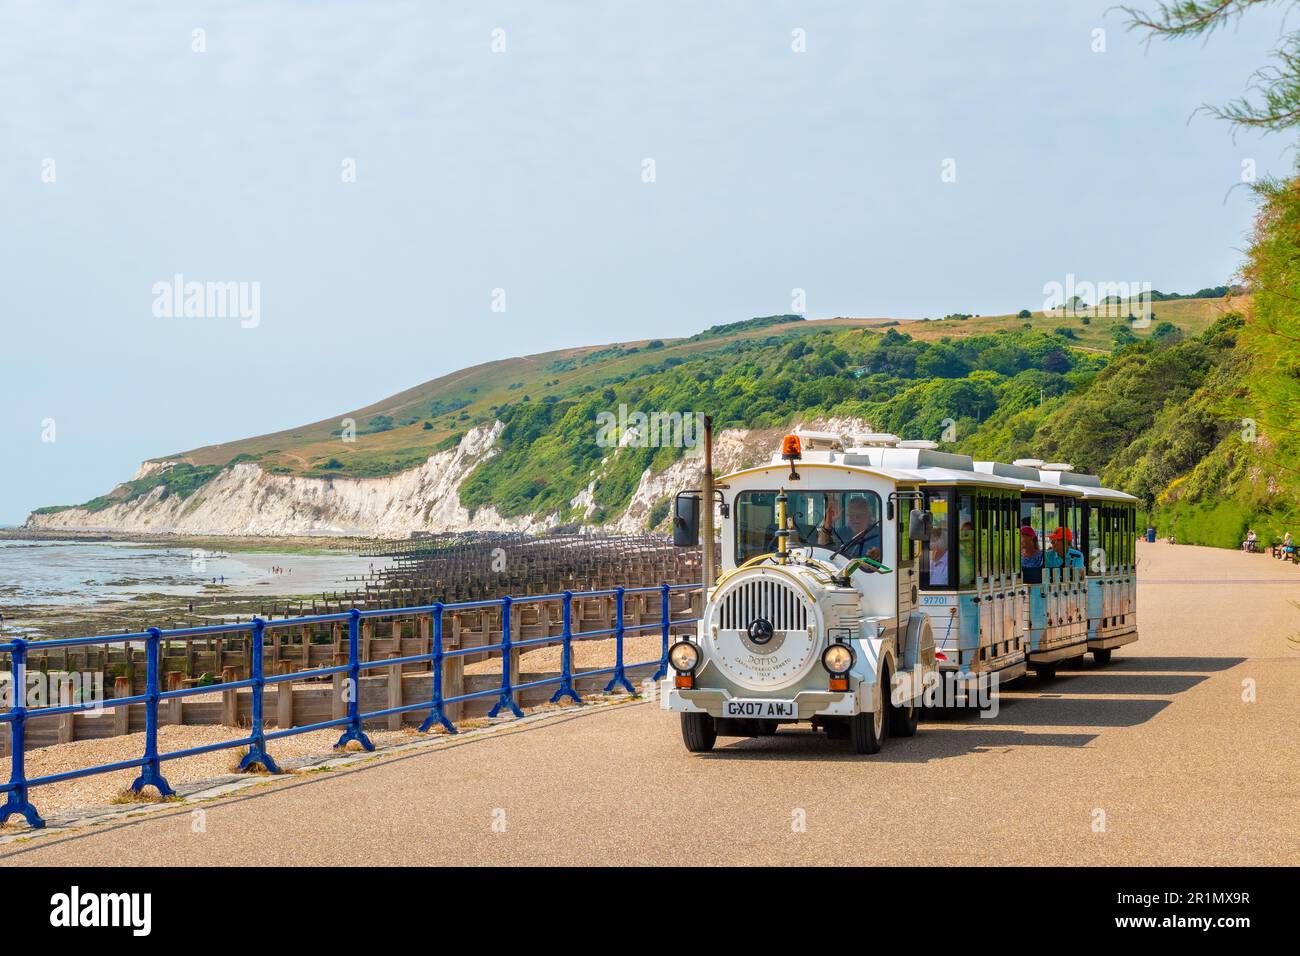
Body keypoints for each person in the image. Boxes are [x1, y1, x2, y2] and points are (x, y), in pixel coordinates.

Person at [818, 495, 882, 562]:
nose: (855, 518)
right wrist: (828, 523)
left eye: (860, 514)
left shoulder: (879, 534)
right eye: (851, 514)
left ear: (869, 515)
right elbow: (822, 548)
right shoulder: (841, 532)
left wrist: (878, 555)